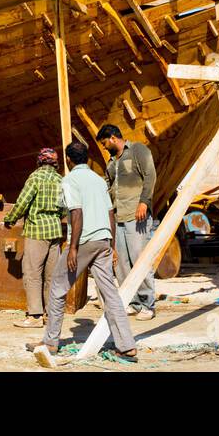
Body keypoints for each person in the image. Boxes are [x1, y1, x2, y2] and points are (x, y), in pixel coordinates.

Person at [31, 140, 138, 362]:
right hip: (104, 240)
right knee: (110, 294)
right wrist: (112, 245)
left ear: (68, 160)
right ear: (87, 158)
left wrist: (72, 248)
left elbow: (76, 213)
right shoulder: (99, 181)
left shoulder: (70, 180)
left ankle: (50, 342)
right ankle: (127, 346)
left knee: (58, 289)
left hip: (83, 241)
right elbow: (111, 214)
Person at [98, 123, 157, 319]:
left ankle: (148, 304)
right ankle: (133, 302)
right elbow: (108, 187)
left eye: (105, 143)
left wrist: (144, 202)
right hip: (118, 216)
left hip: (136, 215)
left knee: (139, 260)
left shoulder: (138, 150)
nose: (104, 147)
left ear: (113, 138)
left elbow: (150, 175)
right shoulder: (111, 163)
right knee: (121, 264)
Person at [2, 147, 64, 328]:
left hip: (37, 230)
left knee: (32, 273)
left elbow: (23, 202)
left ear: (40, 161)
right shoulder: (60, 180)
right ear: (55, 162)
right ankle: (50, 316)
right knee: (51, 276)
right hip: (55, 231)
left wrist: (10, 219)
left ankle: (35, 316)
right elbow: (65, 207)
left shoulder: (35, 177)